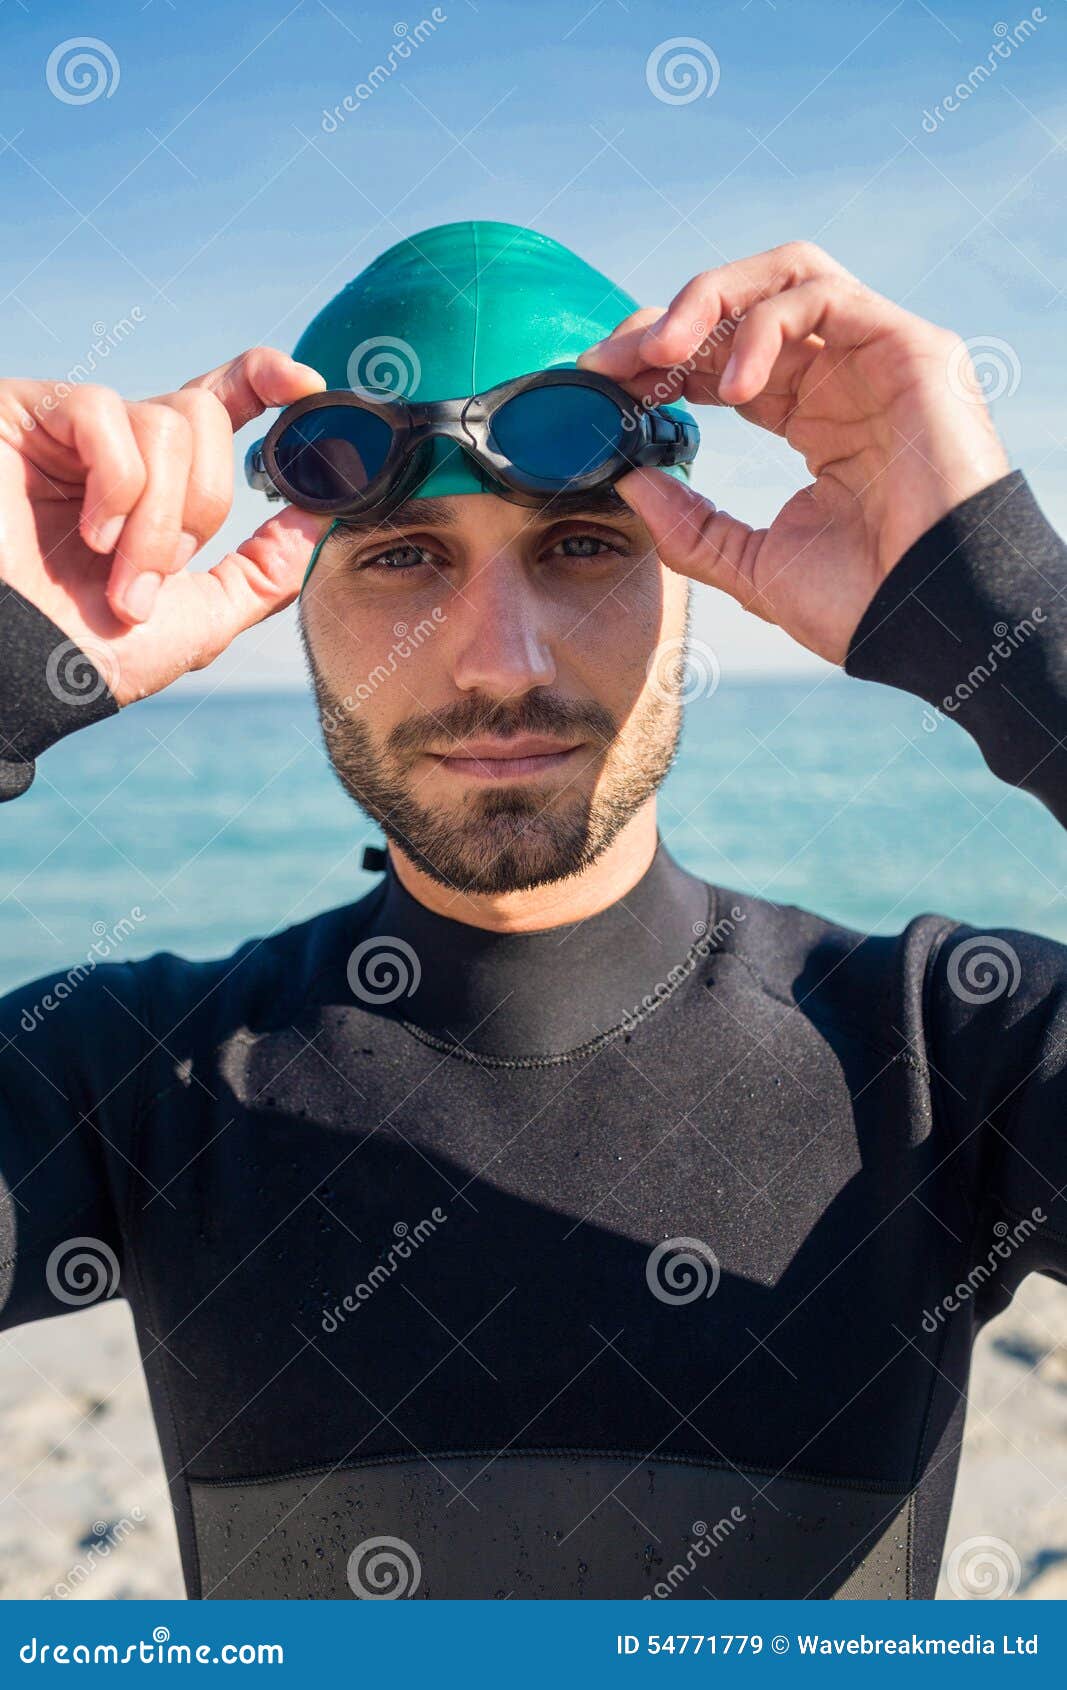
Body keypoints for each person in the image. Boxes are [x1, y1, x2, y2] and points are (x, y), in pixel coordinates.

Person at [0, 219, 1064, 1601]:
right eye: (401, 558)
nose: (501, 662)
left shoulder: (950, 1056)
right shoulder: (128, 1080)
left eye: (577, 545)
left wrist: (1011, 617)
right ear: (295, 599)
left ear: (690, 584)